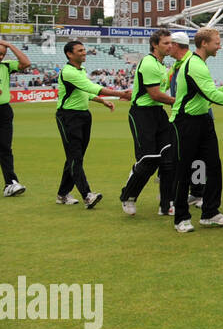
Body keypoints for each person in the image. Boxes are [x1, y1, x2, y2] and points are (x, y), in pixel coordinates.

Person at [169, 28, 223, 233]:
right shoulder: (194, 64)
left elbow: (210, 94)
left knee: (213, 167)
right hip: (186, 122)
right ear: (204, 43)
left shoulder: (199, 63)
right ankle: (181, 218)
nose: (219, 46)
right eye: (216, 42)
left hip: (203, 121)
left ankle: (210, 213)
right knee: (184, 170)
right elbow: (211, 95)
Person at [54, 40, 130, 208]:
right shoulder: (68, 72)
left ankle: (62, 194)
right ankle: (87, 195)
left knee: (75, 157)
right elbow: (91, 87)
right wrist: (120, 94)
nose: (84, 52)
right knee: (75, 157)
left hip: (83, 115)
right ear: (69, 54)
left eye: (84, 49)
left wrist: (101, 102)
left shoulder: (80, 70)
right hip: (68, 117)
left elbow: (84, 92)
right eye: (80, 50)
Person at [119, 28, 176, 216]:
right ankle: (128, 196)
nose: (170, 46)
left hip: (157, 114)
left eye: (170, 43)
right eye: (165, 43)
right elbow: (155, 94)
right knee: (148, 160)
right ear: (154, 44)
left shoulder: (162, 65)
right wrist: (180, 102)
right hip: (142, 114)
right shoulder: (149, 63)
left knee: (169, 158)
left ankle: (166, 204)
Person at [167, 31, 204, 210]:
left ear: (176, 45)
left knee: (199, 159)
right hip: (184, 114)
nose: (168, 47)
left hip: (195, 116)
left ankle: (199, 193)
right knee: (188, 157)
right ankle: (194, 193)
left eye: (170, 44)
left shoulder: (190, 63)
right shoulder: (177, 65)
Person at [0, 38, 33, 196]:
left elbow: (26, 63)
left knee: (5, 148)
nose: (1, 57)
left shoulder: (6, 66)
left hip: (4, 111)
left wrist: (10, 45)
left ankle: (10, 183)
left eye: (3, 54)